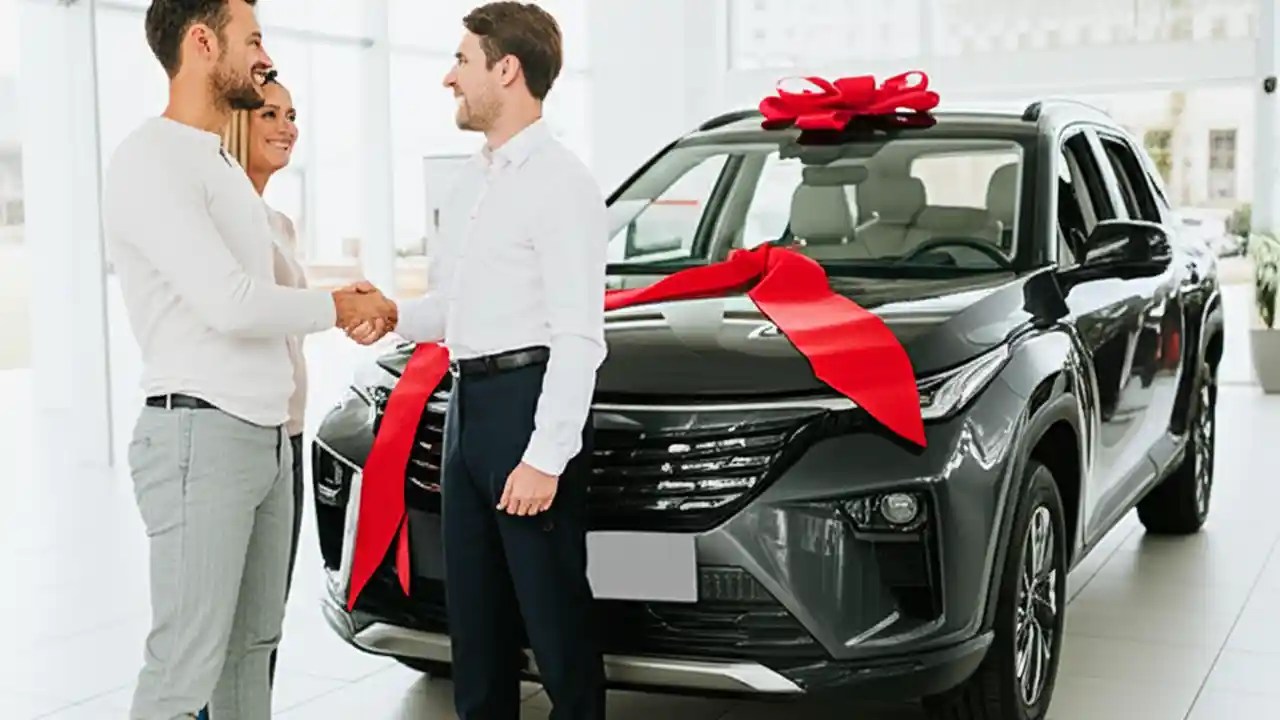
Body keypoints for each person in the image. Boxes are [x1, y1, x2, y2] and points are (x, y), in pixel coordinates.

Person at [101, 1, 396, 718]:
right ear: (202, 43)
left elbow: (260, 298)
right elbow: (231, 303)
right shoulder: (152, 157)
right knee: (185, 668)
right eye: (253, 39)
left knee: (250, 654)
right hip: (199, 437)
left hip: (264, 439)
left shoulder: (219, 168)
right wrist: (339, 305)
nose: (264, 57)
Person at [371, 2, 610, 718]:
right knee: (472, 624)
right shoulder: (471, 182)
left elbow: (578, 335)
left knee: (554, 618)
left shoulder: (563, 182)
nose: (450, 79)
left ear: (507, 70)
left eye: (462, 61)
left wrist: (546, 455)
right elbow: (455, 306)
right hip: (465, 409)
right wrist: (391, 315)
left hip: (526, 408)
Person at [219, 69, 308, 685]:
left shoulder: (280, 223)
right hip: (240, 431)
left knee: (264, 619)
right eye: (270, 114)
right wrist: (339, 306)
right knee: (221, 625)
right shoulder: (222, 215)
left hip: (290, 431)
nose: (287, 128)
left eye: (292, 114)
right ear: (237, 122)